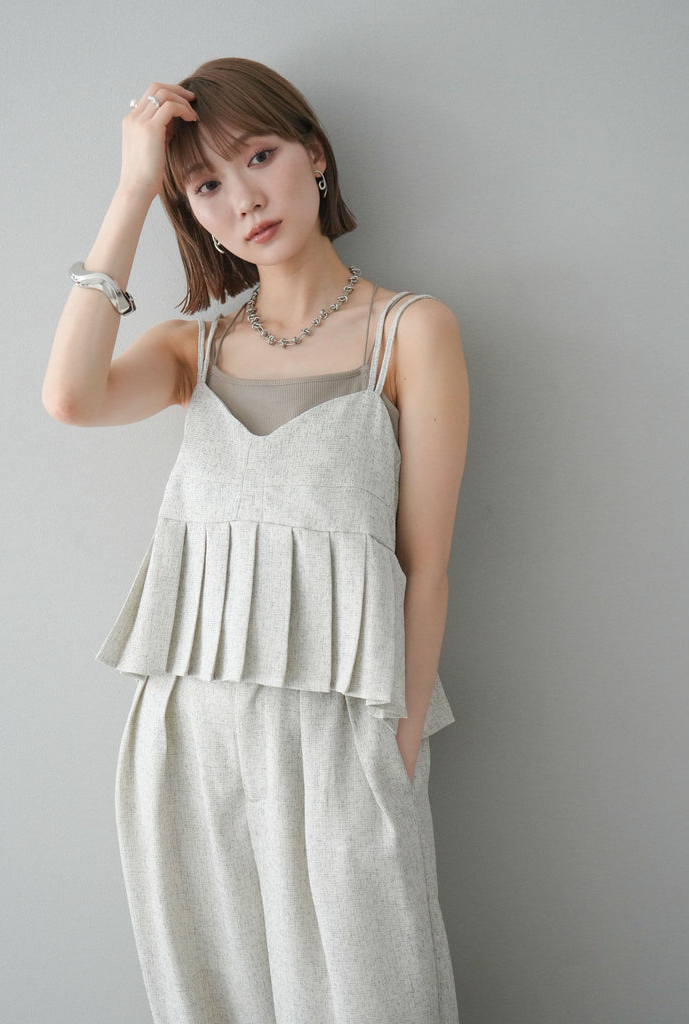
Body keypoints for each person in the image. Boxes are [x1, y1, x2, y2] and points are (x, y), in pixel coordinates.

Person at [43, 57, 469, 1024]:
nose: (243, 200)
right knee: (215, 998)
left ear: (314, 153)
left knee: (376, 994)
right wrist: (132, 189)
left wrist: (398, 746)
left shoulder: (410, 332)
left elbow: (428, 567)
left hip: (343, 734)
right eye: (205, 186)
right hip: (189, 735)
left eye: (260, 157)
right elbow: (69, 396)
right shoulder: (191, 350)